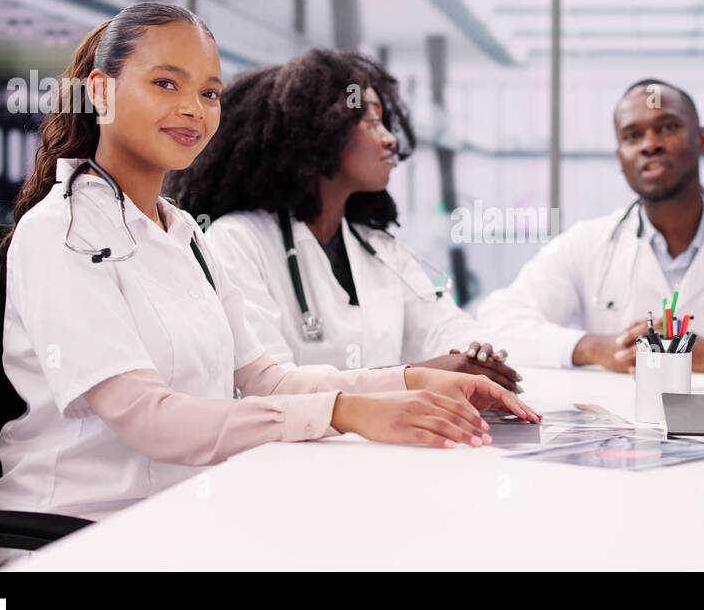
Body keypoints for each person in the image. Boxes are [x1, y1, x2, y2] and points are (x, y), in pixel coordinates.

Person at [0, 4, 539, 525]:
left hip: (187, 512)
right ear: (101, 93)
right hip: (84, 530)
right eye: (165, 83)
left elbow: (266, 380)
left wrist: (415, 380)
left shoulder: (182, 233)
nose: (193, 108)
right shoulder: (59, 234)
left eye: (209, 92)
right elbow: (150, 421)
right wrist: (342, 412)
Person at [169, 50, 522, 391]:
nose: (389, 140)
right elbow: (270, 384)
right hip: (288, 449)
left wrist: (475, 352)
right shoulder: (238, 241)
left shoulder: (380, 248)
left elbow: (444, 328)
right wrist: (419, 375)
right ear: (322, 133)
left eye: (385, 123)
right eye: (371, 123)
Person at [478, 78, 704, 373]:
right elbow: (499, 322)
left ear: (702, 139)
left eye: (668, 127)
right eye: (632, 135)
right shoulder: (586, 243)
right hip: (621, 437)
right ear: (620, 158)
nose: (650, 144)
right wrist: (598, 347)